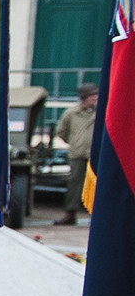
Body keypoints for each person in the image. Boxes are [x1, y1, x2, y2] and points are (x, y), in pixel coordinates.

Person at [55, 84, 98, 225]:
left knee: (98, 186)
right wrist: (75, 142)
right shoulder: (71, 113)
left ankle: (97, 215)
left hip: (95, 154)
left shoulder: (101, 112)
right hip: (77, 154)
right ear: (83, 98)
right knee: (74, 184)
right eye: (92, 96)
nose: (95, 98)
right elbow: (61, 131)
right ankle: (70, 213)